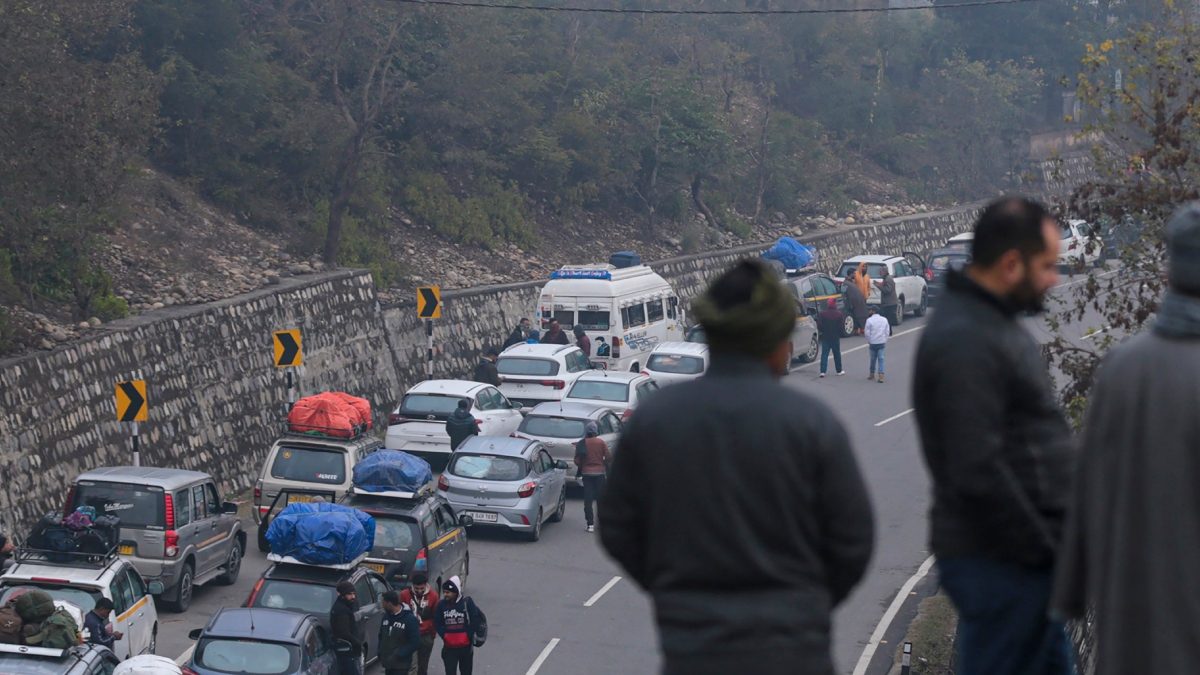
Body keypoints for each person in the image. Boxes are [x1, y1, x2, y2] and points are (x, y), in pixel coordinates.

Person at [600, 258, 874, 675]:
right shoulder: (811, 424)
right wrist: (804, 605)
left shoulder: (655, 421)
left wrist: (676, 595)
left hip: (694, 653)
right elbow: (853, 541)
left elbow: (618, 527)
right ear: (779, 342)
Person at [913, 196, 1073, 675]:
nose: (1054, 279)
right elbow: (975, 468)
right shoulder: (966, 340)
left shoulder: (987, 326)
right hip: (1003, 564)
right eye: (1047, 266)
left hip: (1024, 566)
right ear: (1010, 264)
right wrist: (1044, 549)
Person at [1052, 203, 1200, 674]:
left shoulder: (1123, 370)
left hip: (1133, 636)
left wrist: (1070, 591)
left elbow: (1085, 488)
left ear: (1167, 271)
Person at [434, 577, 486, 675]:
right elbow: (437, 621)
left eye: (448, 592)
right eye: (444, 592)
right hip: (449, 649)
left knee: (466, 672)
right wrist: (444, 635)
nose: (445, 595)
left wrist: (468, 635)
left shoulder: (467, 603)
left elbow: (475, 620)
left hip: (466, 648)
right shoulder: (441, 605)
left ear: (456, 592)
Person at [574, 421, 610, 533]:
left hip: (586, 474)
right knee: (600, 499)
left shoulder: (582, 443)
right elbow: (608, 457)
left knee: (588, 500)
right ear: (596, 431)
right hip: (600, 474)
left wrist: (583, 465)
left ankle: (590, 524)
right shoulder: (601, 442)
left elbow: (577, 460)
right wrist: (602, 463)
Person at [400, 573, 440, 675]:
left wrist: (432, 635)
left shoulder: (433, 596)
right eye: (416, 588)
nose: (419, 591)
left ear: (426, 585)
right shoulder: (404, 594)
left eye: (421, 588)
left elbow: (437, 616)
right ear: (412, 585)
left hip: (426, 636)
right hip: (409, 635)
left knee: (423, 667)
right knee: (411, 666)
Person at [380, 591, 421, 675]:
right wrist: (380, 651)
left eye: (383, 603)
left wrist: (399, 654)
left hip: (402, 665)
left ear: (389, 604)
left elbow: (415, 642)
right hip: (388, 664)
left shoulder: (409, 619)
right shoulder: (385, 617)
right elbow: (381, 635)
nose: (382, 605)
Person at [331, 581, 366, 675]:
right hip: (346, 652)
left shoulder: (343, 607)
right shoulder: (342, 611)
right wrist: (357, 643)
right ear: (342, 595)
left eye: (354, 594)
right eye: (349, 594)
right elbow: (344, 633)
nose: (353, 597)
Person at [815, 298, 845, 377]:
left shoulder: (822, 314)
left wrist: (823, 331)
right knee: (837, 354)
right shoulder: (839, 314)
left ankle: (822, 371)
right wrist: (839, 333)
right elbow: (841, 327)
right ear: (834, 304)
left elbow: (819, 325)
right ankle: (839, 370)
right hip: (835, 337)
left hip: (826, 336)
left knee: (824, 354)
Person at [864, 306, 889, 383]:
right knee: (881, 359)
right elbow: (887, 331)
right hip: (881, 342)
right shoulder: (884, 319)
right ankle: (881, 376)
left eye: (870, 310)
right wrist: (885, 339)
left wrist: (869, 340)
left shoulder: (869, 320)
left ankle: (872, 374)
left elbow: (867, 333)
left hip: (873, 342)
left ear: (873, 311)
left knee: (873, 359)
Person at [843, 269, 868, 336]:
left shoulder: (851, 282)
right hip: (854, 303)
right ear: (850, 274)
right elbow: (844, 293)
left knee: (861, 316)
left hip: (858, 302)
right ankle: (859, 329)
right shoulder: (846, 283)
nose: (855, 275)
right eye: (854, 273)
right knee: (858, 316)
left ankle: (859, 329)